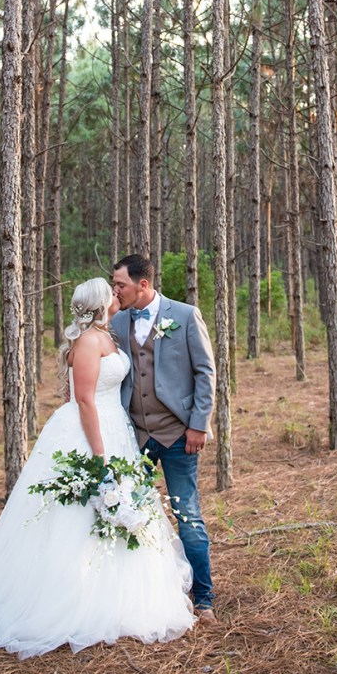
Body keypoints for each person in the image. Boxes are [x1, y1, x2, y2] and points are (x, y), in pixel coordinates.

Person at [0, 277, 195, 658]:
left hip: (117, 427)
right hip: (92, 431)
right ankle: (69, 594)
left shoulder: (108, 333)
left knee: (116, 506)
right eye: (111, 292)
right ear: (98, 302)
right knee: (75, 515)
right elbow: (84, 400)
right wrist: (99, 455)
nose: (117, 294)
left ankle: (114, 593)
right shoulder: (89, 342)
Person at [110, 254, 217, 622]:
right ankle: (139, 596)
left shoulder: (185, 315)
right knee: (130, 513)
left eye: (120, 284)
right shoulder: (118, 321)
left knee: (187, 515)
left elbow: (205, 372)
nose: (115, 291)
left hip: (177, 434)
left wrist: (199, 425)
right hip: (134, 436)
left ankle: (203, 598)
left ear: (143, 284)